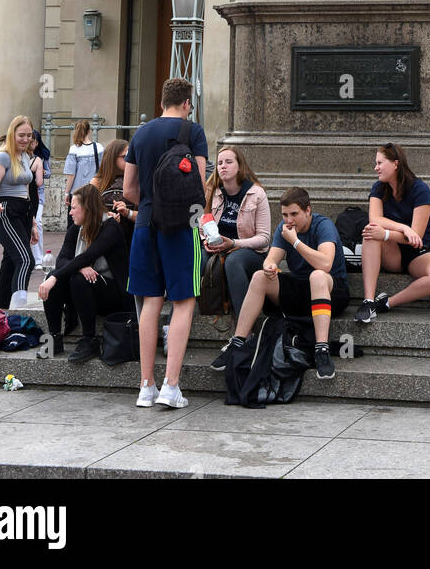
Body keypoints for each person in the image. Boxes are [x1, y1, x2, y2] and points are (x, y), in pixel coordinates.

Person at [123, 78, 209, 409]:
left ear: (161, 102)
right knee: (184, 301)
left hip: (145, 224)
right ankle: (171, 386)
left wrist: (149, 202)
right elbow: (199, 185)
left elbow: (129, 188)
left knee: (150, 302)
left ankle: (146, 386)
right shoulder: (192, 132)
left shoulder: (141, 133)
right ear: (187, 103)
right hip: (181, 224)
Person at [220, 187, 349, 381]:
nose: (289, 220)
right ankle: (238, 342)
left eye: (294, 214)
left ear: (308, 210)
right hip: (300, 291)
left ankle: (321, 349)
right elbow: (271, 259)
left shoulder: (323, 225)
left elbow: (325, 263)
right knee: (259, 277)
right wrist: (269, 266)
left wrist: (295, 242)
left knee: (317, 276)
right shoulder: (285, 228)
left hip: (332, 291)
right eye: (285, 215)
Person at [354, 143, 430, 322]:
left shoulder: (420, 190)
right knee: (371, 231)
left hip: (421, 252)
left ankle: (386, 303)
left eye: (380, 163)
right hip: (394, 253)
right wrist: (403, 228)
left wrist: (387, 234)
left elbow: (416, 238)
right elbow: (375, 218)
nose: (376, 168)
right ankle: (367, 302)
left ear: (395, 164)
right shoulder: (379, 188)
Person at [37, 183, 133, 362]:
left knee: (76, 279)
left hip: (116, 295)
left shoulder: (110, 227)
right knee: (59, 278)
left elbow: (90, 254)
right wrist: (77, 268)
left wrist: (68, 271)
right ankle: (55, 338)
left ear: (87, 208)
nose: (70, 213)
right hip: (86, 290)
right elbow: (62, 260)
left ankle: (89, 340)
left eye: (74, 208)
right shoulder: (76, 227)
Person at [202, 146, 271, 339]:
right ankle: (191, 312)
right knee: (197, 256)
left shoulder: (256, 194)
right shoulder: (212, 191)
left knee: (234, 262)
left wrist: (233, 243)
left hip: (251, 253)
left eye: (228, 162)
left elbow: (264, 238)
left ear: (240, 166)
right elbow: (201, 221)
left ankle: (245, 331)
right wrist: (205, 240)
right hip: (218, 247)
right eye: (220, 163)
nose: (223, 166)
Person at [0, 115, 40, 309]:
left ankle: (0, 313)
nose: (25, 139)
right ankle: (19, 310)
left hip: (23, 212)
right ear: (11, 134)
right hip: (6, 212)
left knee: (9, 264)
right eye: (21, 135)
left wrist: (32, 223)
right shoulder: (2, 156)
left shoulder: (24, 157)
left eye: (29, 136)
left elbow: (26, 192)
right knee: (26, 260)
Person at [92, 137, 136, 248]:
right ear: (112, 158)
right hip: (104, 240)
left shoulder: (137, 181)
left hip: (131, 237)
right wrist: (106, 216)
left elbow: (145, 216)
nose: (130, 159)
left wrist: (127, 212)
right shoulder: (97, 182)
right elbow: (88, 213)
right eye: (125, 156)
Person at [62, 120, 104, 215]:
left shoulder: (74, 150)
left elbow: (71, 175)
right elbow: (103, 171)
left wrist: (66, 193)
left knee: (74, 223)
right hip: (93, 191)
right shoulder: (99, 147)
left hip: (77, 192)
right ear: (89, 131)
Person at [29, 127, 51, 268]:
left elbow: (48, 173)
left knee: (37, 223)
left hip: (38, 194)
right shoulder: (23, 156)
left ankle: (38, 257)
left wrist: (41, 171)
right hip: (26, 194)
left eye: (32, 141)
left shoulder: (41, 157)